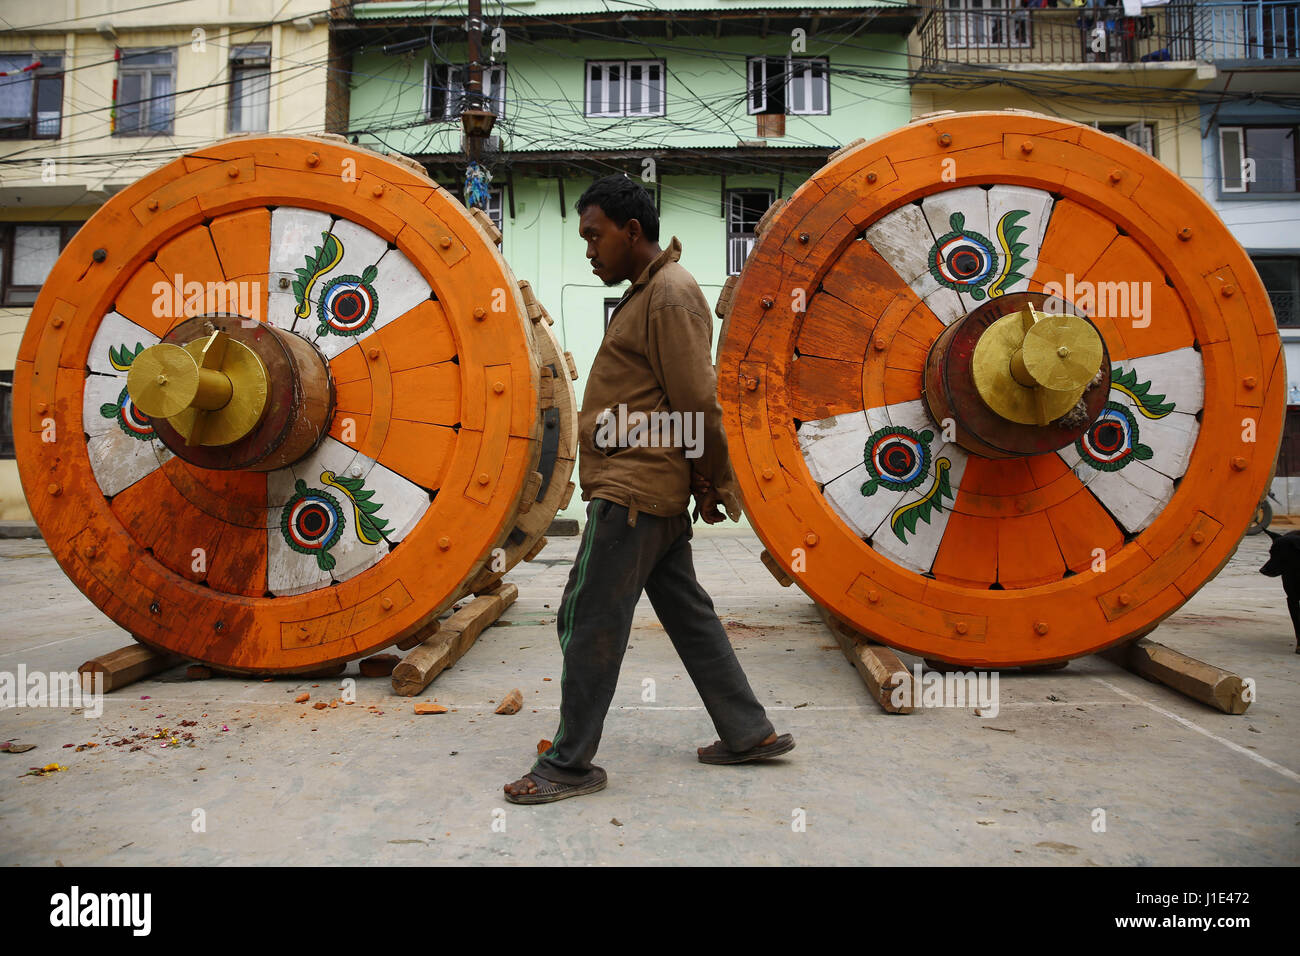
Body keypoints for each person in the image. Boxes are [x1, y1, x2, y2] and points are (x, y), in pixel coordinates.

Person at [503, 175, 794, 804]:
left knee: (586, 622)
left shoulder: (668, 294)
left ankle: (569, 764)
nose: (588, 251)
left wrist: (714, 479)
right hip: (650, 491)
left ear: (632, 231)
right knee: (691, 619)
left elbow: (698, 402)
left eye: (594, 235)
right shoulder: (651, 291)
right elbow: (673, 401)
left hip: (633, 493)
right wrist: (696, 478)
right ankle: (749, 731)